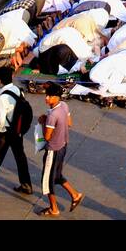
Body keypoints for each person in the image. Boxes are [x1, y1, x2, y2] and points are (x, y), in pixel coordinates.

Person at [39, 82, 83, 216]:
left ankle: (54, 208)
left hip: (53, 150)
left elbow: (47, 136)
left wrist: (43, 123)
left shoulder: (52, 115)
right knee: (57, 175)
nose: (47, 98)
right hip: (63, 146)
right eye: (47, 95)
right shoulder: (64, 105)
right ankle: (75, 195)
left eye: (50, 96)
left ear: (57, 97)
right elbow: (69, 123)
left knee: (47, 181)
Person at [0, 66, 31, 194]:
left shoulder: (2, 98)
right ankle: (26, 185)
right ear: (11, 77)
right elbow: (13, 105)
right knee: (20, 158)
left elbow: (1, 120)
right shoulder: (16, 89)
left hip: (5, 132)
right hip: (17, 130)